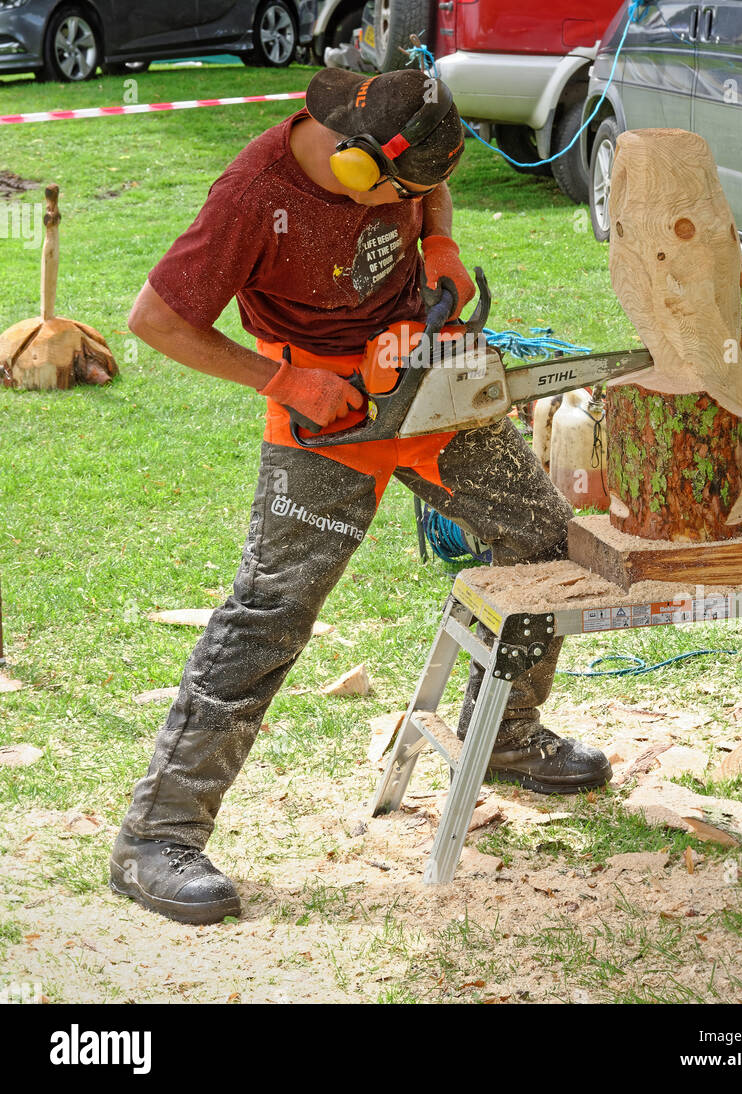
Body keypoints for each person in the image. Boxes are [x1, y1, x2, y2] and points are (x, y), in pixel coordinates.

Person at [110, 67, 612, 925]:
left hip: (424, 382)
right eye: (408, 187)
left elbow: (433, 193)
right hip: (326, 417)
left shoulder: (402, 133)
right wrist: (288, 382)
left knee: (541, 541)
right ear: (353, 162)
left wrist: (440, 251)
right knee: (270, 614)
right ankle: (157, 836)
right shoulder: (252, 196)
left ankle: (503, 737)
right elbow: (154, 320)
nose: (421, 197)